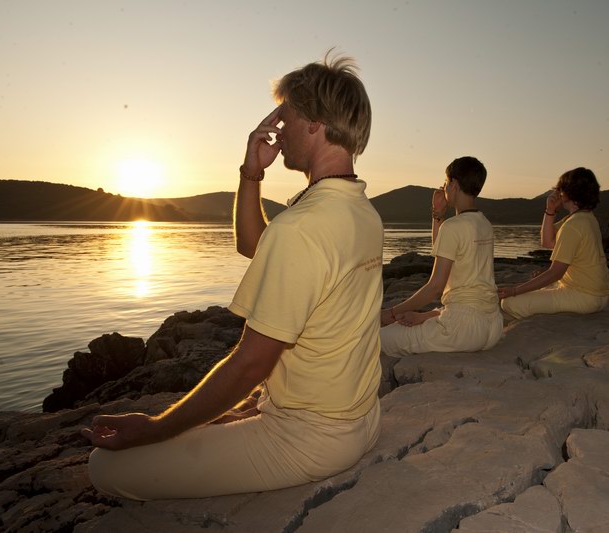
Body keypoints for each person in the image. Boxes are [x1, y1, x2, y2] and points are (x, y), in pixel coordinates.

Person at [81, 52, 384, 500]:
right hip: (360, 421)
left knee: (105, 466)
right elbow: (255, 247)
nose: (278, 131)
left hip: (307, 439)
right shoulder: (361, 211)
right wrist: (251, 173)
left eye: (286, 117)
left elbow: (250, 363)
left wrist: (155, 427)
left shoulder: (303, 226)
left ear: (315, 122)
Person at [379, 156, 503, 356]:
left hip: (461, 329)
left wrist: (391, 313)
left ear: (454, 184)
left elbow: (435, 287)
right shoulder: (484, 224)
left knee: (377, 338)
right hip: (491, 326)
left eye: (446, 182)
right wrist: (438, 215)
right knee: (427, 317)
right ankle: (431, 316)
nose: (444, 187)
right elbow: (444, 251)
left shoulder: (454, 227)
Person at [497, 167, 609, 319]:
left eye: (560, 190)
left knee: (509, 302)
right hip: (595, 294)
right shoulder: (584, 218)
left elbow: (556, 273)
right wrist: (550, 211)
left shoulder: (574, 225)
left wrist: (515, 291)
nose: (558, 193)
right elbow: (547, 241)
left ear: (569, 193)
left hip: (584, 296)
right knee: (532, 289)